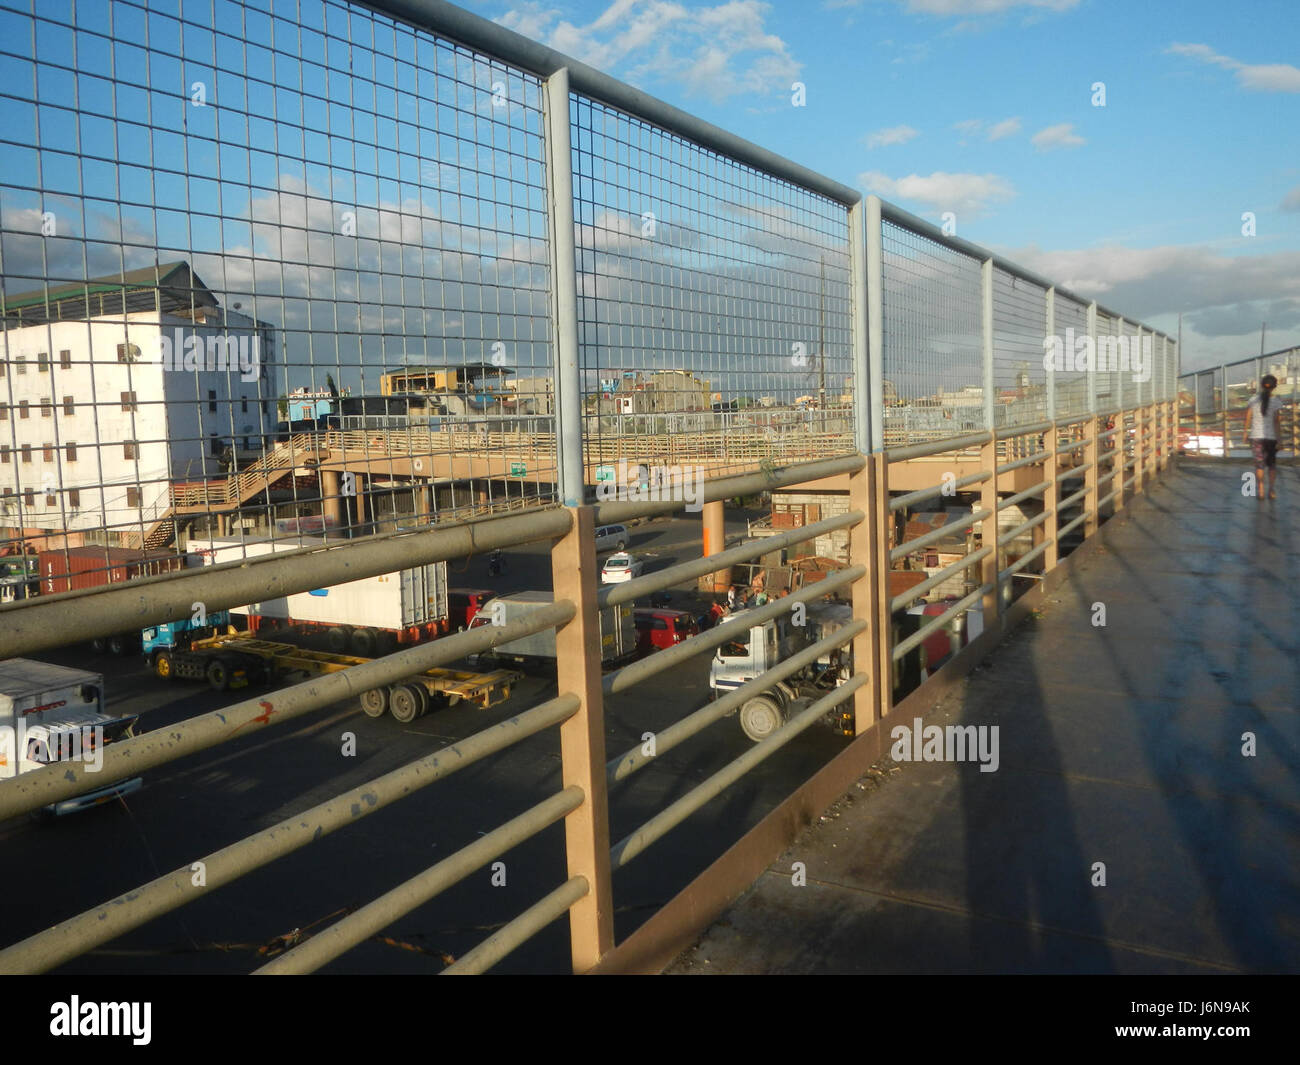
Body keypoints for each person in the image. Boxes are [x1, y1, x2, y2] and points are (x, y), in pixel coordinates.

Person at [1243, 374, 1283, 501]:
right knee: (1271, 465)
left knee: (1259, 465)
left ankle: (1260, 490)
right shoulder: (1276, 401)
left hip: (1256, 437)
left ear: (1261, 385)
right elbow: (1277, 422)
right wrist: (1280, 439)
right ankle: (1271, 490)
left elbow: (1248, 417)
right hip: (1271, 438)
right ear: (1274, 387)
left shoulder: (1253, 399)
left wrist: (1245, 433)